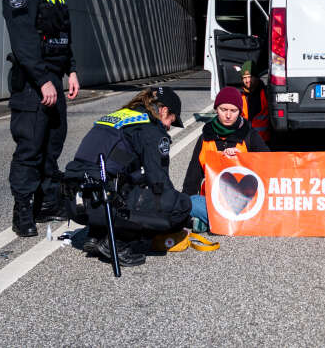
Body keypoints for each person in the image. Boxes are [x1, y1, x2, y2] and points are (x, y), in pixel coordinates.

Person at [3, 0, 81, 237]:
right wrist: (43, 80)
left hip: (53, 79)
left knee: (52, 144)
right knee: (30, 147)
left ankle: (47, 202)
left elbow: (63, 33)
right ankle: (22, 210)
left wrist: (70, 71)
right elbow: (24, 44)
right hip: (33, 85)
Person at [65, 87, 191, 267]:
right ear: (164, 111)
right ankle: (117, 242)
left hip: (74, 202)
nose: (170, 126)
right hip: (103, 203)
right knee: (180, 204)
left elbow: (123, 167)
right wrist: (178, 218)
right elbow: (158, 181)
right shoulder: (151, 129)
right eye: (172, 119)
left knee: (126, 182)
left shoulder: (121, 116)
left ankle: (97, 234)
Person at [183, 86, 270, 231]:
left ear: (240, 111)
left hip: (246, 199)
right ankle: (224, 220)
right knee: (189, 202)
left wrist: (242, 158)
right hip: (214, 200)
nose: (228, 115)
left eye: (233, 110)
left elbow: (269, 163)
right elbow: (194, 174)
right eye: (224, 110)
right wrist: (184, 204)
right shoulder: (206, 137)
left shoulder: (249, 134)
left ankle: (213, 221)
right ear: (216, 109)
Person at [239, 60, 270, 142]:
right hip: (244, 141)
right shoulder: (239, 96)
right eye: (244, 78)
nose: (247, 80)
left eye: (249, 77)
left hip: (263, 142)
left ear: (256, 77)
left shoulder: (266, 93)